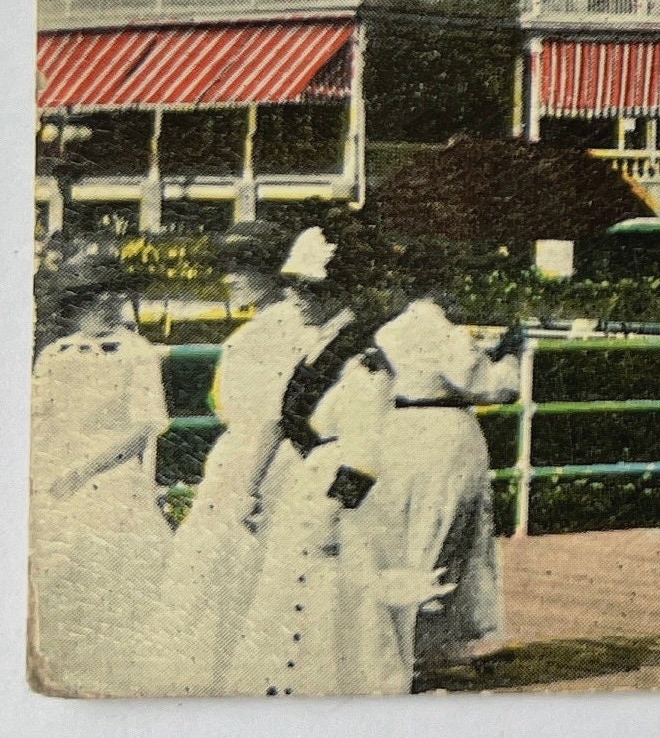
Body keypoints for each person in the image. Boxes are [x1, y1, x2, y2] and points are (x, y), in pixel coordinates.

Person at [228, 223, 449, 697]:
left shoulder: (363, 358)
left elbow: (366, 454)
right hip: (310, 484)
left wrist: (333, 513)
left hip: (345, 501)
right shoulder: (316, 348)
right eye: (293, 285)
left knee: (341, 606)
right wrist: (253, 486)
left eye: (312, 288)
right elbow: (284, 418)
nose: (297, 297)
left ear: (340, 290)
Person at [156, 222, 320, 697]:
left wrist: (249, 485)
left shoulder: (273, 331)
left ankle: (235, 672)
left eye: (243, 267)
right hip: (264, 452)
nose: (230, 278)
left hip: (259, 456)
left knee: (236, 556)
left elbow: (271, 415)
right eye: (227, 267)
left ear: (275, 272)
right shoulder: (285, 323)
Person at [367, 250, 520, 678]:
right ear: (442, 287)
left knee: (407, 528)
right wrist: (510, 356)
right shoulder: (448, 333)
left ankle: (402, 641)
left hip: (398, 430)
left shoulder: (388, 331)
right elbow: (491, 388)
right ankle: (444, 642)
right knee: (451, 530)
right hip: (446, 432)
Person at [29, 251, 172, 697]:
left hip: (111, 474)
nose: (101, 306)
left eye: (107, 296)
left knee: (116, 570)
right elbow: (37, 417)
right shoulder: (56, 353)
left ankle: (117, 676)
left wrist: (85, 469)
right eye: (88, 298)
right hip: (54, 470)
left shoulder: (135, 352)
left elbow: (145, 425)